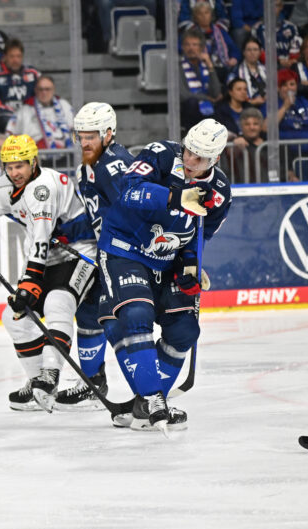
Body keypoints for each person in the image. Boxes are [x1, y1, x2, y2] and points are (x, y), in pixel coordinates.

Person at [96, 119, 232, 430]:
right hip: (124, 248)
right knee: (136, 313)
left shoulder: (220, 193)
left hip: (167, 259)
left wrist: (189, 266)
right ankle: (155, 399)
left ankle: (144, 403)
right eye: (187, 151)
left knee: (185, 331)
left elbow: (200, 236)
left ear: (216, 159)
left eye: (198, 158)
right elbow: (127, 191)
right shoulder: (160, 154)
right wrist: (176, 196)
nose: (188, 160)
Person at [0, 134, 95, 411]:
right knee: (14, 317)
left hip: (79, 252)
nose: (14, 172)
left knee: (58, 302)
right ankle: (37, 385)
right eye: (9, 166)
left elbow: (40, 239)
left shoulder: (42, 188)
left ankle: (50, 374)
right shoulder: (7, 183)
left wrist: (30, 283)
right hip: (46, 256)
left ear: (34, 162)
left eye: (20, 165)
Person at [56, 102, 133, 410]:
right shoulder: (86, 168)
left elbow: (136, 212)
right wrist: (68, 231)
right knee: (89, 311)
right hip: (106, 254)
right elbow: (96, 217)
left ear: (109, 134)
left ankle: (151, 388)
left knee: (127, 320)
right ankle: (93, 380)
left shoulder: (114, 166)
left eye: (91, 136)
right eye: (80, 136)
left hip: (127, 255)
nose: (84, 142)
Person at [6, 75, 75, 150]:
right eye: (41, 89)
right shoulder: (24, 110)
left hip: (65, 155)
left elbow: (76, 130)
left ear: (53, 90)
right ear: (35, 90)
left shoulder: (64, 105)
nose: (44, 92)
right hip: (35, 156)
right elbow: (10, 134)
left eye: (47, 89)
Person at [0, 38, 41, 133]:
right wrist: (18, 115)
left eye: (18, 56)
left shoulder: (33, 73)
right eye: (12, 56)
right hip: (4, 117)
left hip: (29, 115)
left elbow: (41, 97)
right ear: (4, 57)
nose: (15, 60)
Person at [179, 28, 222, 131]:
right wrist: (207, 98)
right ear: (183, 47)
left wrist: (210, 66)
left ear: (202, 47)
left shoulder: (205, 64)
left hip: (208, 107)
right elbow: (183, 95)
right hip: (189, 110)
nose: (191, 48)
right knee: (192, 103)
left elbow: (216, 93)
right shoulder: (178, 66)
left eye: (195, 45)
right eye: (187, 45)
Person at [227, 37, 266, 108]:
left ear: (260, 52)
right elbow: (231, 96)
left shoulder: (267, 70)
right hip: (246, 109)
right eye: (249, 50)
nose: (252, 53)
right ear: (244, 52)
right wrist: (252, 102)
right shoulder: (235, 71)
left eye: (255, 50)